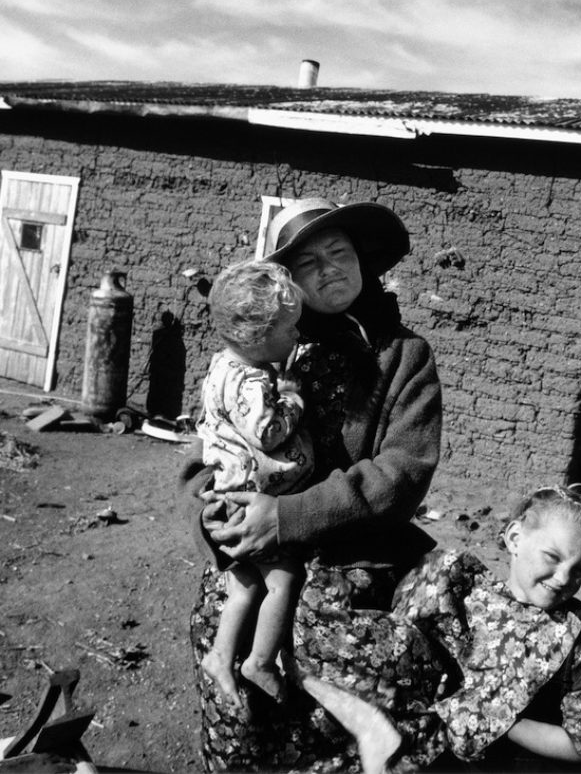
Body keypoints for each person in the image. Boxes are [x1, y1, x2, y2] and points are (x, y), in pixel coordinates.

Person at [182, 196, 443, 771]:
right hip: (254, 549)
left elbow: (402, 472)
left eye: (340, 252)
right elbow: (208, 446)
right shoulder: (264, 345)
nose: (329, 269)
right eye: (309, 262)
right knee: (235, 698)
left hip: (353, 560)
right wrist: (209, 512)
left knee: (345, 712)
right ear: (288, 282)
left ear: (363, 261)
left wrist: (289, 515)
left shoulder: (404, 357)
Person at [289, 485, 581, 772]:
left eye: (579, 571)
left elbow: (579, 742)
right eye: (552, 557)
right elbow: (398, 646)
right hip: (401, 711)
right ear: (515, 538)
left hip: (461, 750)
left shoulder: (569, 628)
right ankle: (357, 717)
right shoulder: (458, 582)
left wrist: (495, 717)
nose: (562, 579)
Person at [197, 260, 315, 711]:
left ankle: (222, 655)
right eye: (289, 329)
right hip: (250, 500)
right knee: (282, 579)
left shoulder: (221, 366)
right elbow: (267, 433)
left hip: (229, 494)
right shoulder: (250, 382)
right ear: (257, 337)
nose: (296, 336)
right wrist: (292, 395)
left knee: (245, 586)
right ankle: (260, 661)